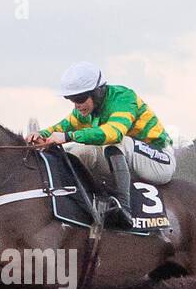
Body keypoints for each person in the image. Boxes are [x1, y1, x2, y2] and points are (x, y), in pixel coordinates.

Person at [26, 62, 175, 227]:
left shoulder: (123, 98)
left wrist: (68, 136)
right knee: (77, 152)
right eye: (71, 99)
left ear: (97, 92)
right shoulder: (86, 110)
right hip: (128, 161)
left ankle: (123, 209)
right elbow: (60, 128)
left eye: (80, 99)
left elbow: (114, 132)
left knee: (117, 143)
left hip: (160, 160)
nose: (77, 105)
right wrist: (42, 135)